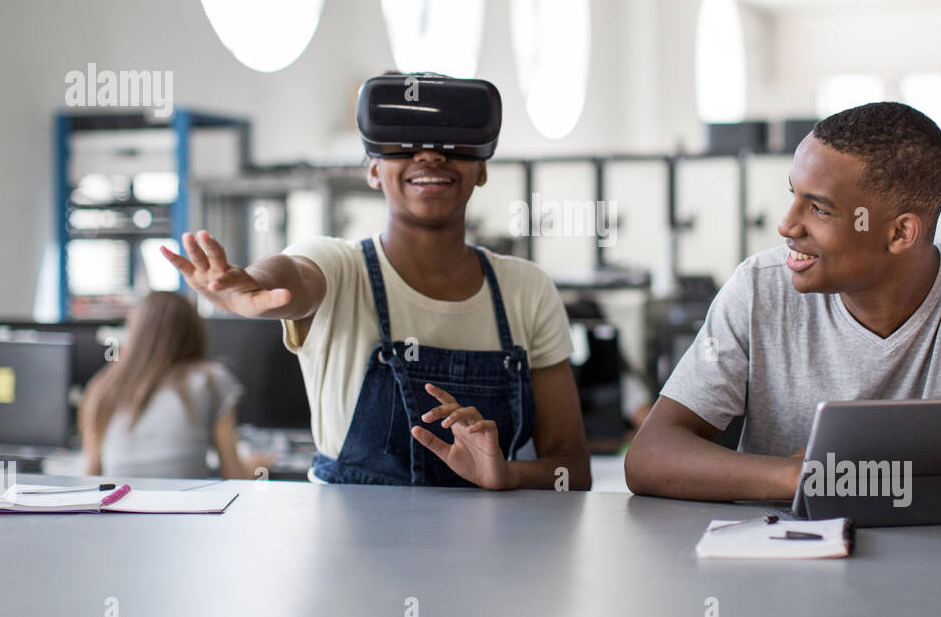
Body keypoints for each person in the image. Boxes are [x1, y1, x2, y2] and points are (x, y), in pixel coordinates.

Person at [625, 101, 941, 506]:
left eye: (819, 208)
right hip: (788, 573)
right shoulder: (758, 288)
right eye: (793, 195)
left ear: (901, 232)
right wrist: (794, 478)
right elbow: (650, 455)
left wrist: (874, 476)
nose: (787, 225)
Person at [160, 76, 591, 490]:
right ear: (372, 169)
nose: (430, 155)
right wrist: (252, 283)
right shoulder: (340, 268)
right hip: (347, 556)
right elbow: (294, 274)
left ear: (481, 168)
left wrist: (509, 475)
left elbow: (572, 471)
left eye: (452, 142)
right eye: (406, 142)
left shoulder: (528, 289)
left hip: (490, 551)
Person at [79, 291, 267, 480]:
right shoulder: (209, 379)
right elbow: (233, 474)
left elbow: (91, 473)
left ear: (134, 332)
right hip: (186, 506)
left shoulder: (104, 385)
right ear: (193, 331)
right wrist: (257, 465)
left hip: (121, 506)